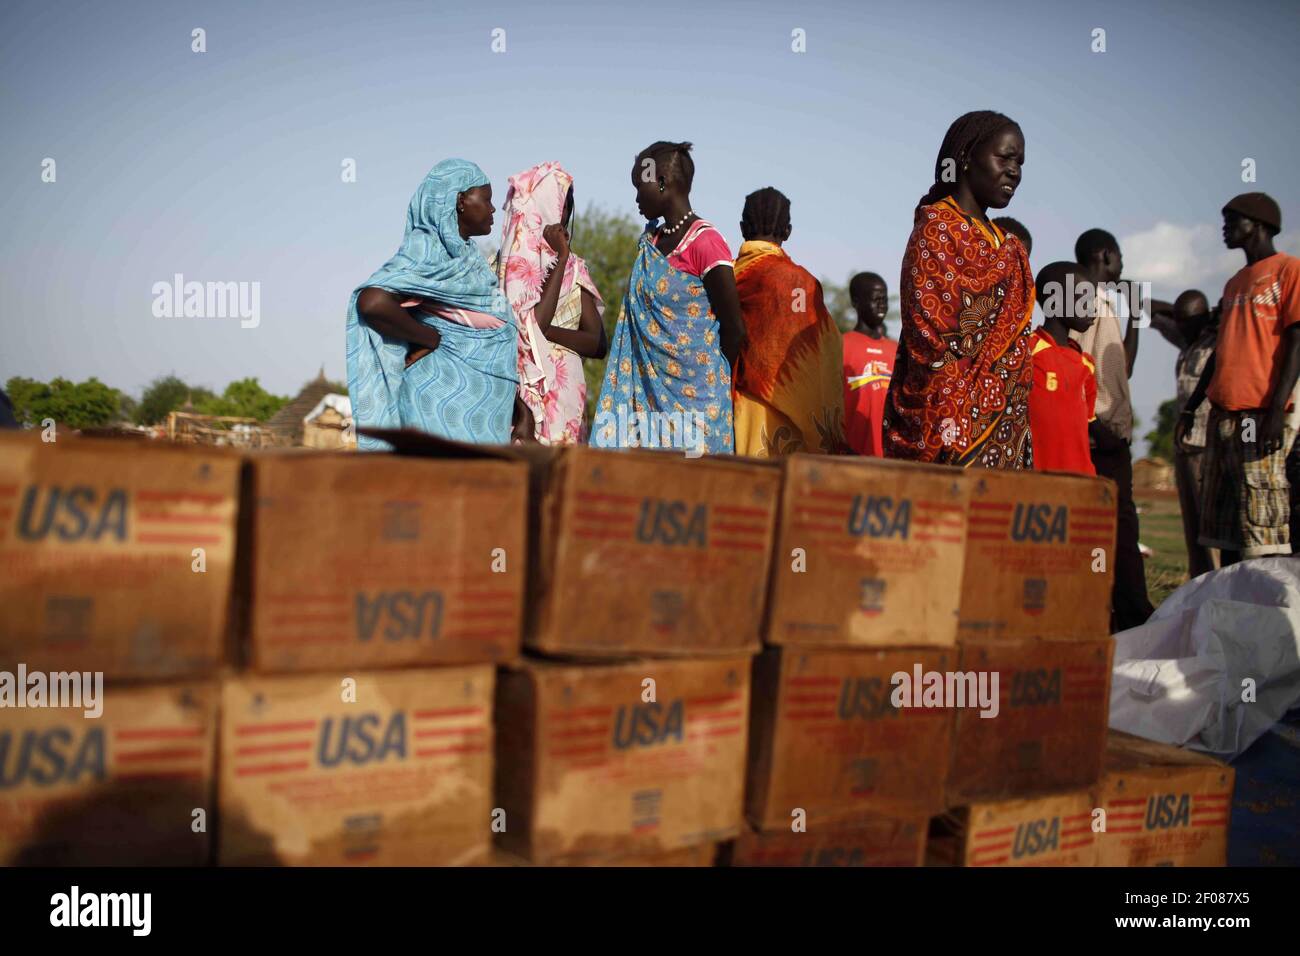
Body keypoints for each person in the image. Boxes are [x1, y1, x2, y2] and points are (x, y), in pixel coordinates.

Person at [882, 110, 1035, 468]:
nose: (1014, 170)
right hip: (944, 418)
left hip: (1005, 425)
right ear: (966, 157)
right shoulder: (936, 228)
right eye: (1004, 157)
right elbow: (930, 338)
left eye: (1020, 163)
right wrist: (965, 409)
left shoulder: (1009, 246)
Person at [348, 159, 523, 448]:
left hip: (481, 409)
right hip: (442, 401)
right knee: (442, 486)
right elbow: (373, 301)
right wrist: (430, 338)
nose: (493, 209)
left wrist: (518, 406)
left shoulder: (467, 256)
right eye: (487, 199)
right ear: (460, 201)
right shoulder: (428, 249)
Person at [591, 141, 743, 454]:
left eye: (640, 186)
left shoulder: (706, 243)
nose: (635, 197)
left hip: (701, 405)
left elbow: (735, 329)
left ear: (661, 181)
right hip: (647, 401)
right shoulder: (650, 244)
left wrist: (701, 374)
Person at [1180, 192, 1300, 563]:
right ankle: (1231, 613)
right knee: (1227, 528)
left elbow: (1297, 339)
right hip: (1222, 416)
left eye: (1233, 221)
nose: (1225, 229)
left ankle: (1267, 614)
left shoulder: (1288, 270)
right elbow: (1224, 350)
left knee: (1263, 532)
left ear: (1259, 225)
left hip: (1261, 414)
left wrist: (1279, 409)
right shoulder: (1234, 283)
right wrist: (1193, 405)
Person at [1070, 227, 1154, 631]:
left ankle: (1128, 615)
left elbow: (1122, 370)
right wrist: (1088, 425)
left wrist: (1136, 317)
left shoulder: (1105, 304)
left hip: (1111, 435)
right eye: (1119, 256)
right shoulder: (1081, 300)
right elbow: (1072, 369)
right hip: (1095, 434)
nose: (1123, 265)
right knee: (1107, 531)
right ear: (1105, 255)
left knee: (1121, 529)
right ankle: (1122, 615)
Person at [498, 161, 607, 445]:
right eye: (561, 205)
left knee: (564, 483)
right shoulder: (504, 270)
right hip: (520, 404)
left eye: (568, 207)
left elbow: (597, 344)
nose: (564, 215)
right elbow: (537, 321)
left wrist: (544, 335)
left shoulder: (575, 269)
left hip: (565, 401)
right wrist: (559, 258)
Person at [731, 187, 846, 456]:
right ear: (788, 231)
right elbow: (826, 351)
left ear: (742, 228)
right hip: (797, 420)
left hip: (744, 409)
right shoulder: (801, 282)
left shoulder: (723, 276)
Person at [1151, 289, 1218, 577]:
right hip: (1184, 448)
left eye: (1186, 320)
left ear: (1202, 320)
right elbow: (1151, 309)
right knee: (1191, 527)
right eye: (1177, 319)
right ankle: (1197, 584)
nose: (1179, 325)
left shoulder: (1216, 345)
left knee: (1210, 527)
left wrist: (1212, 317)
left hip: (1207, 447)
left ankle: (1216, 582)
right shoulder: (1185, 342)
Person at [1027, 261, 1097, 475]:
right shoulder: (1027, 352)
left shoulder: (1086, 364)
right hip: (1034, 480)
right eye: (1083, 299)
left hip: (1082, 479)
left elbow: (1086, 429)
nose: (1092, 308)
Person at [842, 272, 897, 456]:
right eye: (876, 298)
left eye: (885, 298)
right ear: (856, 302)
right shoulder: (839, 346)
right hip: (848, 456)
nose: (882, 304)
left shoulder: (897, 351)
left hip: (890, 458)